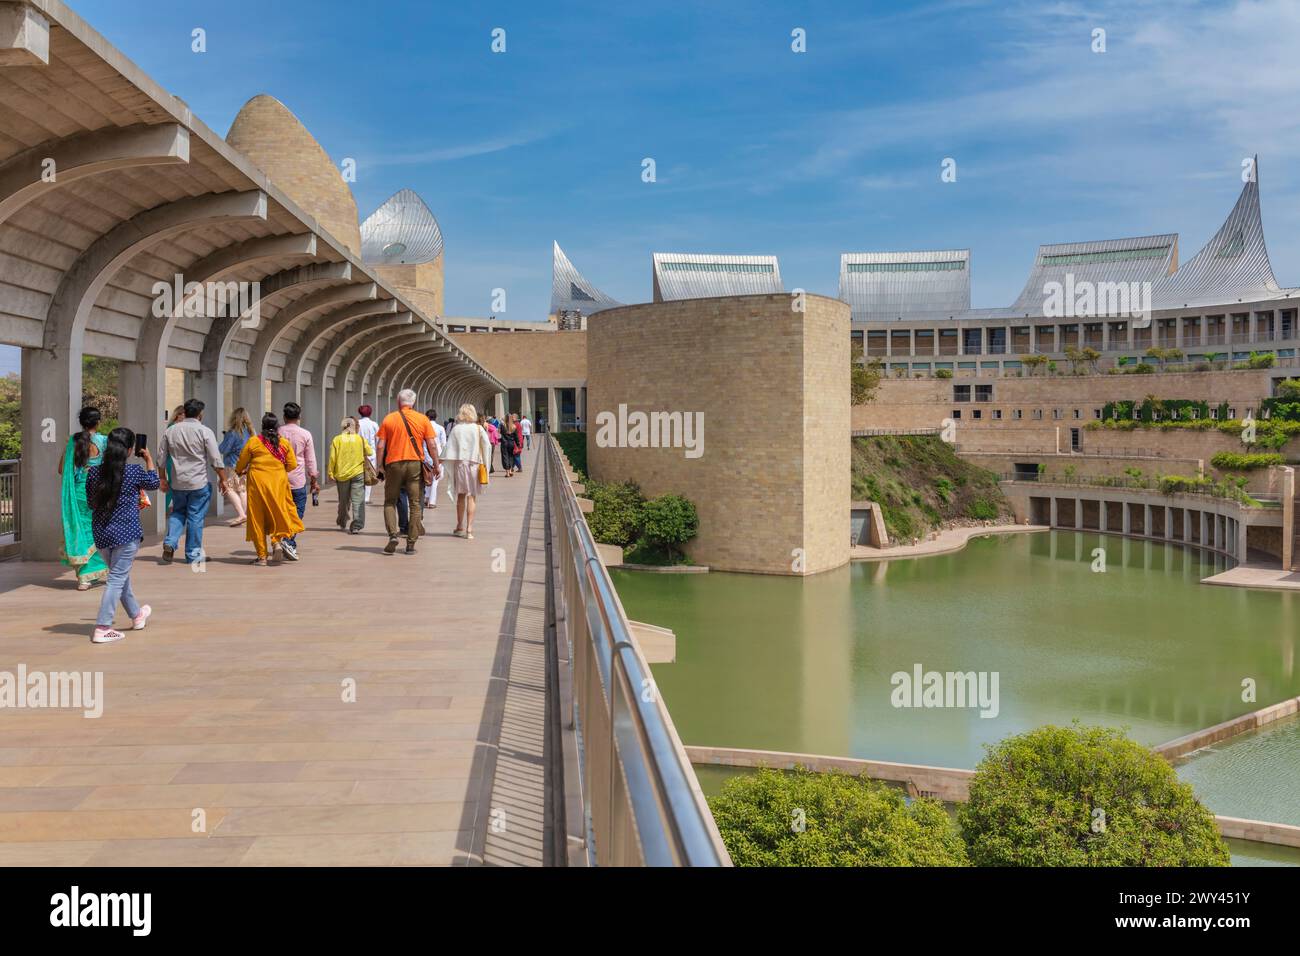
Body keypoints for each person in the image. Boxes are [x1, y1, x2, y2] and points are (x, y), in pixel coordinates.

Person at [85, 428, 160, 644]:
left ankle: (137, 616)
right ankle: (103, 627)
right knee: (117, 578)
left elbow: (91, 503)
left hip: (102, 534)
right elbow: (154, 483)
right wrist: (149, 459)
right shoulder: (134, 471)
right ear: (129, 450)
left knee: (119, 576)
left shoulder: (94, 473)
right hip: (126, 534)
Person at [158, 398, 227, 565]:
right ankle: (193, 554)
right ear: (200, 414)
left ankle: (170, 543)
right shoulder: (204, 431)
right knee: (195, 517)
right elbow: (215, 458)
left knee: (177, 513)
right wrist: (223, 479)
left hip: (177, 482)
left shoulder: (171, 431)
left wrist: (162, 478)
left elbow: (161, 457)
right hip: (198, 482)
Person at [373, 389, 442, 555]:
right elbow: (432, 445)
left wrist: (380, 466)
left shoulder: (389, 419)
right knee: (415, 504)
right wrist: (436, 464)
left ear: (398, 401)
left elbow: (381, 445)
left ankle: (392, 536)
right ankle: (411, 544)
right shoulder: (422, 419)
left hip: (393, 464)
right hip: (415, 464)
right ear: (414, 403)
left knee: (390, 501)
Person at [235, 413, 305, 566]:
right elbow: (292, 464)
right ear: (276, 426)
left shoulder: (254, 441)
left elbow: (241, 462)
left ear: (263, 426)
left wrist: (240, 471)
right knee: (277, 512)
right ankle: (276, 542)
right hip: (278, 483)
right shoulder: (284, 443)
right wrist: (279, 468)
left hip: (257, 483)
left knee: (257, 518)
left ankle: (261, 557)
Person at [59, 406, 108, 590]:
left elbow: (62, 470)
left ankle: (84, 578)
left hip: (79, 492)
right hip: (98, 491)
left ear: (81, 422)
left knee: (82, 530)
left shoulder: (73, 441)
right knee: (97, 530)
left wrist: (66, 450)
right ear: (98, 422)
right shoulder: (104, 441)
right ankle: (98, 569)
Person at [445, 406, 491, 540]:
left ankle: (459, 526)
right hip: (474, 464)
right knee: (472, 496)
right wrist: (485, 463)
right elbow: (487, 446)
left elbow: (449, 448)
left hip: (460, 464)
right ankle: (469, 530)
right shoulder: (478, 428)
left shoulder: (456, 429)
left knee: (461, 496)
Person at [278, 402, 318, 557]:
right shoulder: (305, 434)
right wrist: (313, 478)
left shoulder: (277, 432)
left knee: (281, 511)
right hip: (297, 480)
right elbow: (311, 459)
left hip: (279, 479)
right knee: (297, 512)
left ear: (284, 416)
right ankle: (289, 540)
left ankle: (282, 539)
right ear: (299, 416)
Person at [328, 416, 372, 534]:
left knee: (343, 500)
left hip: (342, 474)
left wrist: (330, 472)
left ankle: (342, 520)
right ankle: (357, 525)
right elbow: (370, 452)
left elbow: (332, 458)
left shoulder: (337, 439)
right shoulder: (360, 439)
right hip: (358, 473)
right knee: (358, 500)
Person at [217, 407, 253, 527]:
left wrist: (224, 439)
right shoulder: (250, 432)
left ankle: (241, 514)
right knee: (242, 490)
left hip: (232, 465)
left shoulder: (233, 433)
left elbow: (223, 449)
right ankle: (242, 516)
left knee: (229, 489)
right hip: (246, 466)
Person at [357, 405, 380, 504]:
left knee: (359, 474)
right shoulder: (374, 424)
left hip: (358, 452)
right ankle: (366, 497)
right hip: (371, 453)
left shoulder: (356, 423)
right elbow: (378, 439)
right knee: (369, 474)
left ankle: (359, 495)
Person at [424, 408, 446, 508]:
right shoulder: (440, 428)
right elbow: (444, 444)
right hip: (438, 455)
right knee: (435, 479)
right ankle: (432, 502)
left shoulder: (423, 427)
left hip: (425, 454)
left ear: (427, 416)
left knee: (427, 476)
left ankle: (426, 497)